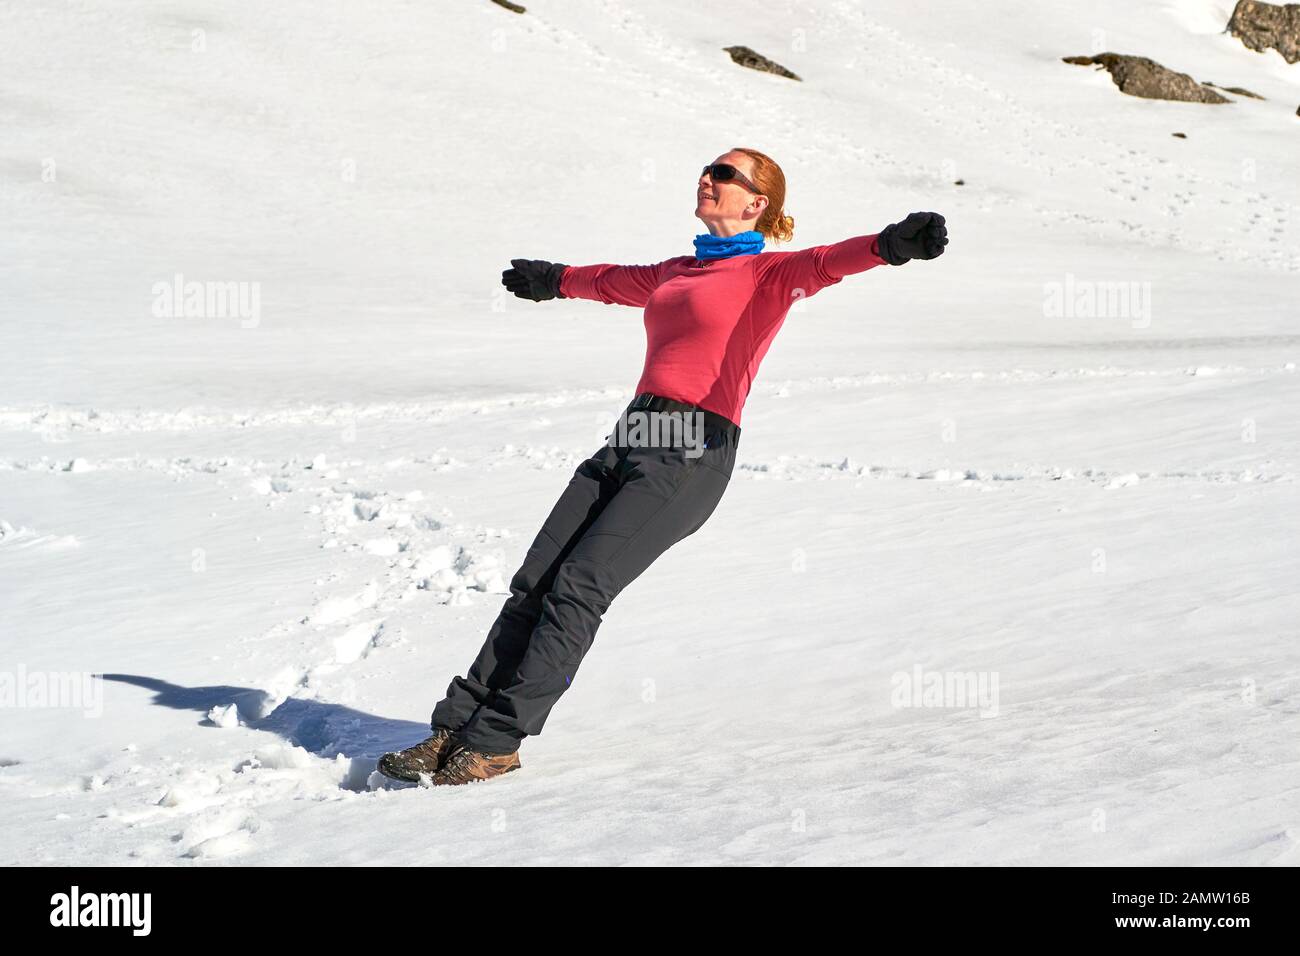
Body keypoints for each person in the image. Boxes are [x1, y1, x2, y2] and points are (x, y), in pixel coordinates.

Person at [378, 147, 948, 785]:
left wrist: (890, 244)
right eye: (709, 168)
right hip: (632, 433)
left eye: (726, 175)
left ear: (757, 202)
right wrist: (554, 278)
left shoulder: (771, 273)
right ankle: (452, 729)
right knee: (535, 583)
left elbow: (828, 262)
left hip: (693, 447)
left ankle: (498, 740)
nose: (708, 178)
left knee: (578, 589)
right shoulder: (677, 271)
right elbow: (610, 280)